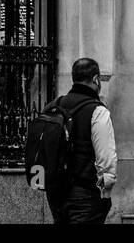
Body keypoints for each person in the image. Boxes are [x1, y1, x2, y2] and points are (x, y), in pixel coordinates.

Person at [47, 57, 118, 224]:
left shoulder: (53, 106)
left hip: (56, 193)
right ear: (96, 79)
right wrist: (105, 192)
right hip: (85, 194)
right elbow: (106, 158)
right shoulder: (98, 111)